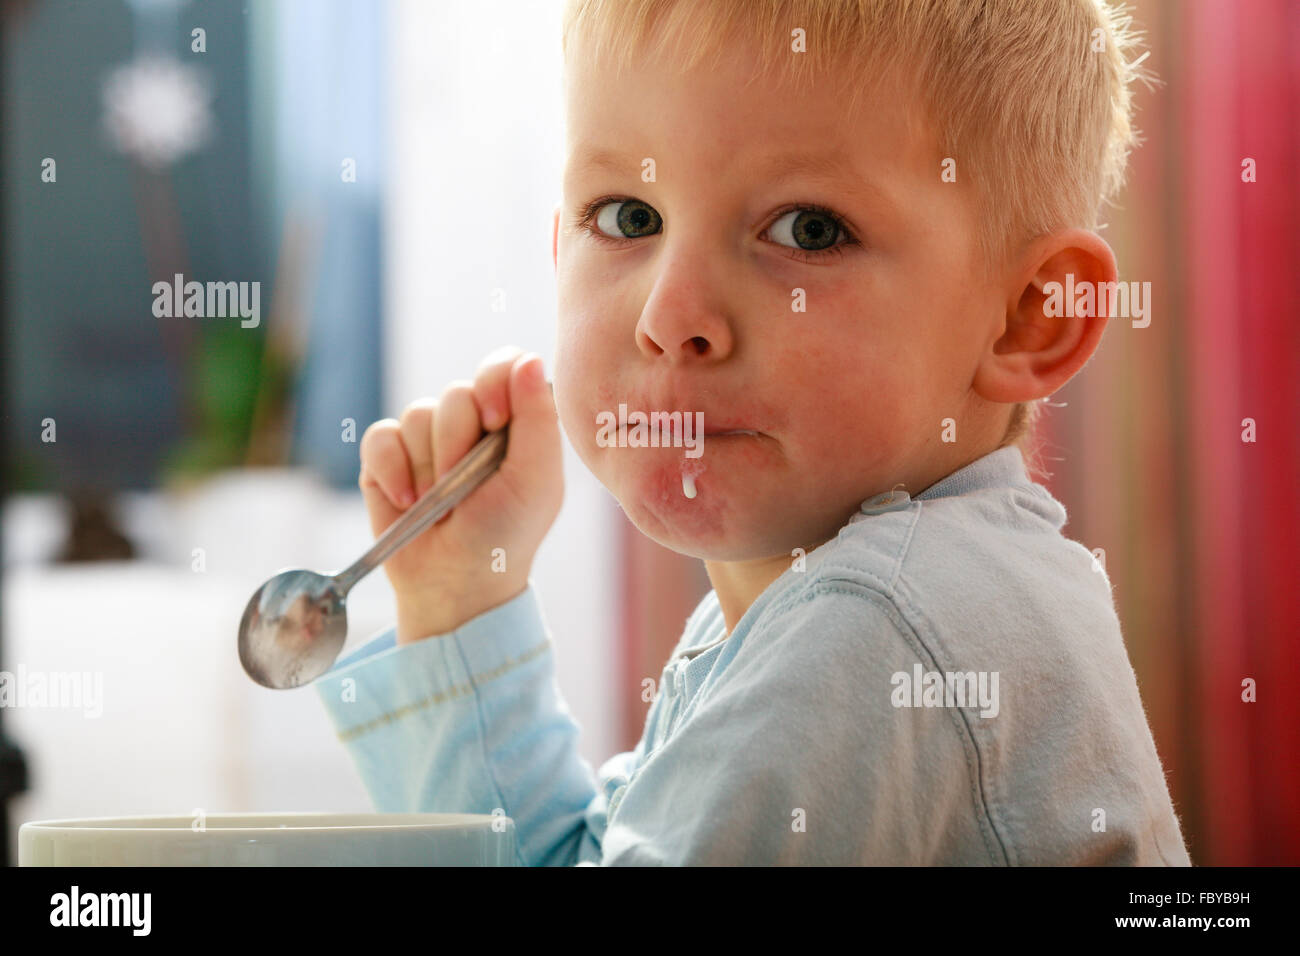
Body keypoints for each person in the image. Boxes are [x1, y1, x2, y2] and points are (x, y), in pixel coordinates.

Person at [313, 0, 1190, 865]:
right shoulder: (843, 598)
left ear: (1028, 317)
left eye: (807, 231)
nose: (670, 314)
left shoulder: (874, 627)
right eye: (628, 217)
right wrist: (459, 605)